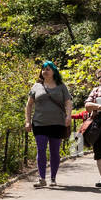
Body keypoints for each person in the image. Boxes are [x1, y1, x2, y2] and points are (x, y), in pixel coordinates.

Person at [25, 61, 72, 189]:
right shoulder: (36, 86)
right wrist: (28, 121)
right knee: (41, 150)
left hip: (57, 123)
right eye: (43, 69)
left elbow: (68, 102)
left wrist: (68, 115)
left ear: (54, 71)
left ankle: (53, 178)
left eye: (48, 69)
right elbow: (29, 105)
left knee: (54, 151)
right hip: (40, 123)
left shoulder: (61, 86)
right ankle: (42, 178)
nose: (45, 71)